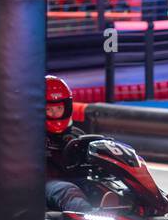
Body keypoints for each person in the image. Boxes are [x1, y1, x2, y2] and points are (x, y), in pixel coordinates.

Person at [45, 74, 118, 212]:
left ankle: (140, 208)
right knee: (67, 190)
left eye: (59, 109)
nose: (55, 114)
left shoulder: (76, 134)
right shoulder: (30, 136)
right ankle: (90, 216)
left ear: (67, 108)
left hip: (76, 180)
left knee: (100, 187)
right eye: (49, 109)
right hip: (45, 184)